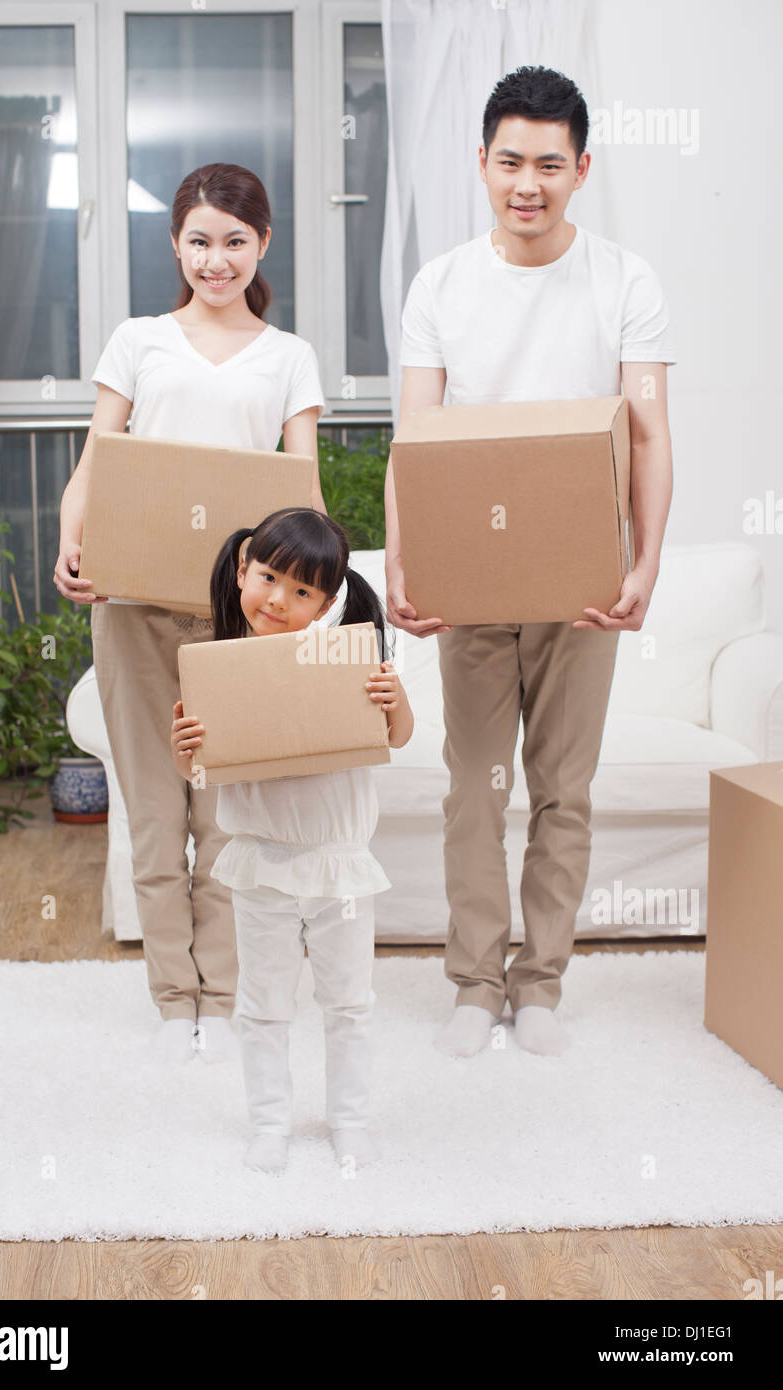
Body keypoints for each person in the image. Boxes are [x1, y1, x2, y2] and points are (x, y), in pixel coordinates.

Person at [384, 65, 675, 1058]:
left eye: (548, 163)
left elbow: (646, 433)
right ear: (480, 163)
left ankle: (538, 983)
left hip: (581, 574)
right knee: (473, 784)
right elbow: (410, 435)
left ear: (580, 168)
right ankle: (475, 983)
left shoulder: (623, 280)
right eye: (509, 160)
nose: (527, 182)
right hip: (469, 570)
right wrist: (405, 563)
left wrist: (644, 565)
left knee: (562, 785)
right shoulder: (441, 283)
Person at [53, 164, 328, 1066]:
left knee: (224, 821)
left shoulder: (289, 357)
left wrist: (312, 605)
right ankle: (176, 1002)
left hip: (235, 618)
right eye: (200, 241)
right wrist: (71, 540)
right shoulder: (138, 340)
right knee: (153, 815)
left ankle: (227, 993)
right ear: (176, 245)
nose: (217, 260)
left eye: (235, 241)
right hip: (132, 609)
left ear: (263, 246)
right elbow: (97, 461)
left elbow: (304, 498)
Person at [171, 507, 413, 1172]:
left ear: (328, 603)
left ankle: (351, 1121)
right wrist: (182, 748)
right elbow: (198, 770)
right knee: (264, 1005)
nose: (278, 598)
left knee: (349, 1003)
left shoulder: (345, 659)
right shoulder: (219, 667)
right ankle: (270, 1122)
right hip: (262, 867)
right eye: (269, 576)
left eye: (302, 591)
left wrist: (394, 699)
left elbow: (396, 735)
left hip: (338, 867)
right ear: (244, 567)